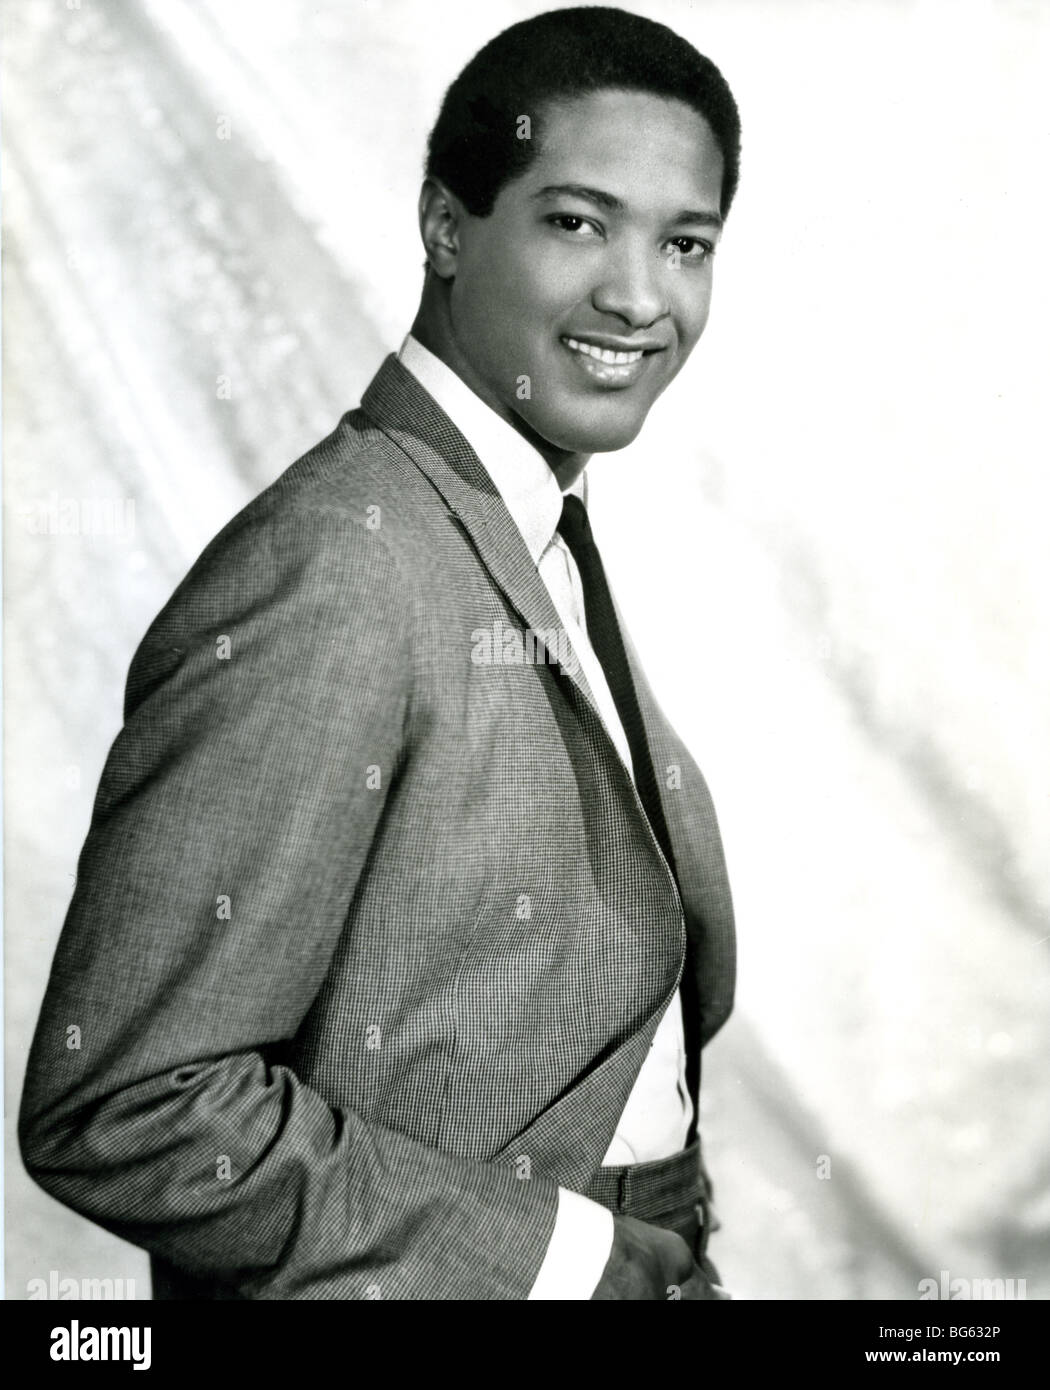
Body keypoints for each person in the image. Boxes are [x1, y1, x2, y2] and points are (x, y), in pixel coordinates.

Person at [20, 5, 740, 1300]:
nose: (639, 295)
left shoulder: (528, 517)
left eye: (683, 242)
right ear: (446, 225)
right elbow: (125, 1103)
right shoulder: (340, 566)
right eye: (576, 221)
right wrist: (569, 1259)